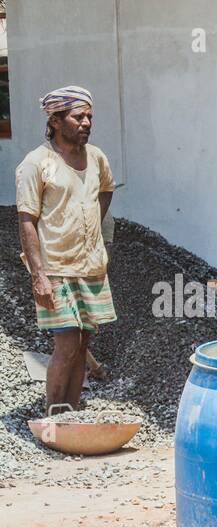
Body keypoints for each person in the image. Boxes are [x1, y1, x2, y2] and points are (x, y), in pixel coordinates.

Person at [16, 86, 116, 413]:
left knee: (84, 341)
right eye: (78, 116)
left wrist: (89, 228)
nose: (86, 122)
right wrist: (38, 276)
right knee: (68, 342)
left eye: (89, 116)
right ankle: (54, 414)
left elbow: (105, 191)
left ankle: (71, 410)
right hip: (55, 267)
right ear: (56, 121)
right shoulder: (36, 164)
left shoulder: (97, 157)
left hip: (90, 266)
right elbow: (27, 221)